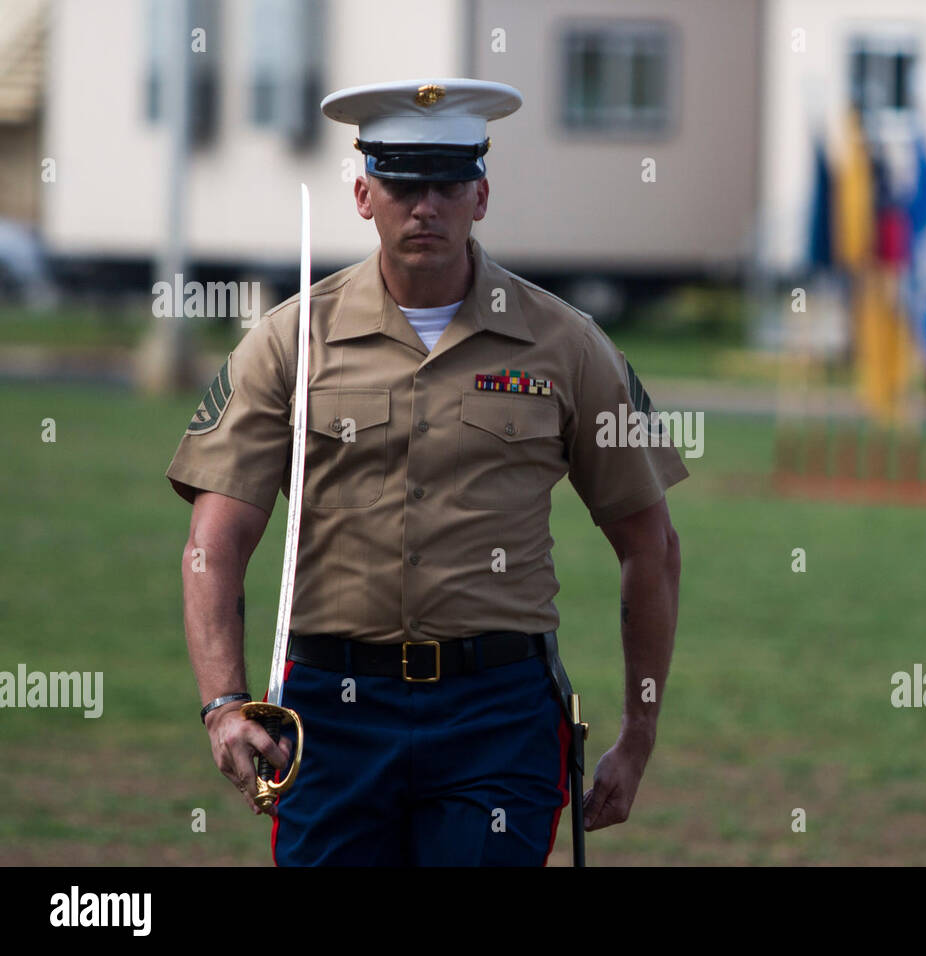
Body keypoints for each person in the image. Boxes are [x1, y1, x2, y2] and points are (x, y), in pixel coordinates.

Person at [167, 78, 688, 865]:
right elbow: (215, 539)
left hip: (497, 719)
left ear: (481, 194)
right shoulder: (289, 342)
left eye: (447, 182)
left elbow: (650, 544)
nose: (425, 205)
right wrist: (222, 703)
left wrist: (638, 735)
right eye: (403, 182)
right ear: (363, 192)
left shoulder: (567, 345)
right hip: (334, 716)